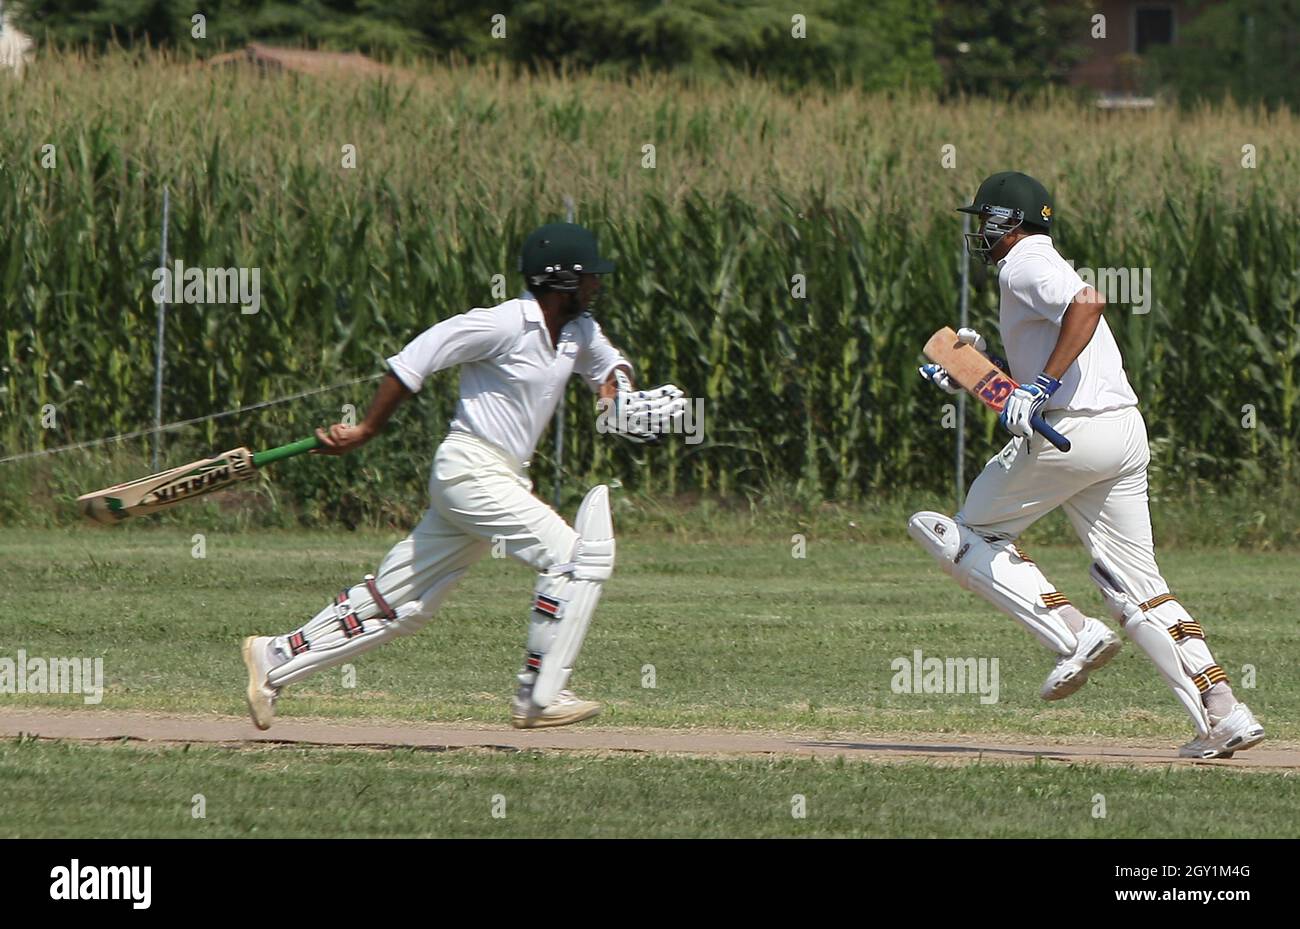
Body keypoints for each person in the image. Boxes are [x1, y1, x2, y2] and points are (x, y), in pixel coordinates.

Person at [241, 222, 685, 730]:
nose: (597, 287)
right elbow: (413, 362)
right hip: (469, 468)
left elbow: (611, 365)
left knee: (401, 604)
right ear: (562, 281)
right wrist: (366, 429)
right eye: (590, 279)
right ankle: (539, 694)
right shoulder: (501, 324)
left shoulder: (578, 331)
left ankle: (274, 656)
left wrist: (620, 394)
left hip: (500, 479)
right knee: (571, 557)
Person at [910, 172, 1265, 759]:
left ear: (1008, 222)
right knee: (1138, 590)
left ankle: (1074, 633)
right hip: (1122, 432)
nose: (979, 232)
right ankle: (1222, 711)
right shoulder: (1042, 261)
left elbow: (1088, 302)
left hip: (1071, 434)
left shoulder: (1023, 262)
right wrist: (983, 371)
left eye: (984, 220)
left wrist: (1040, 386)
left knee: (958, 532)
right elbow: (1059, 346)